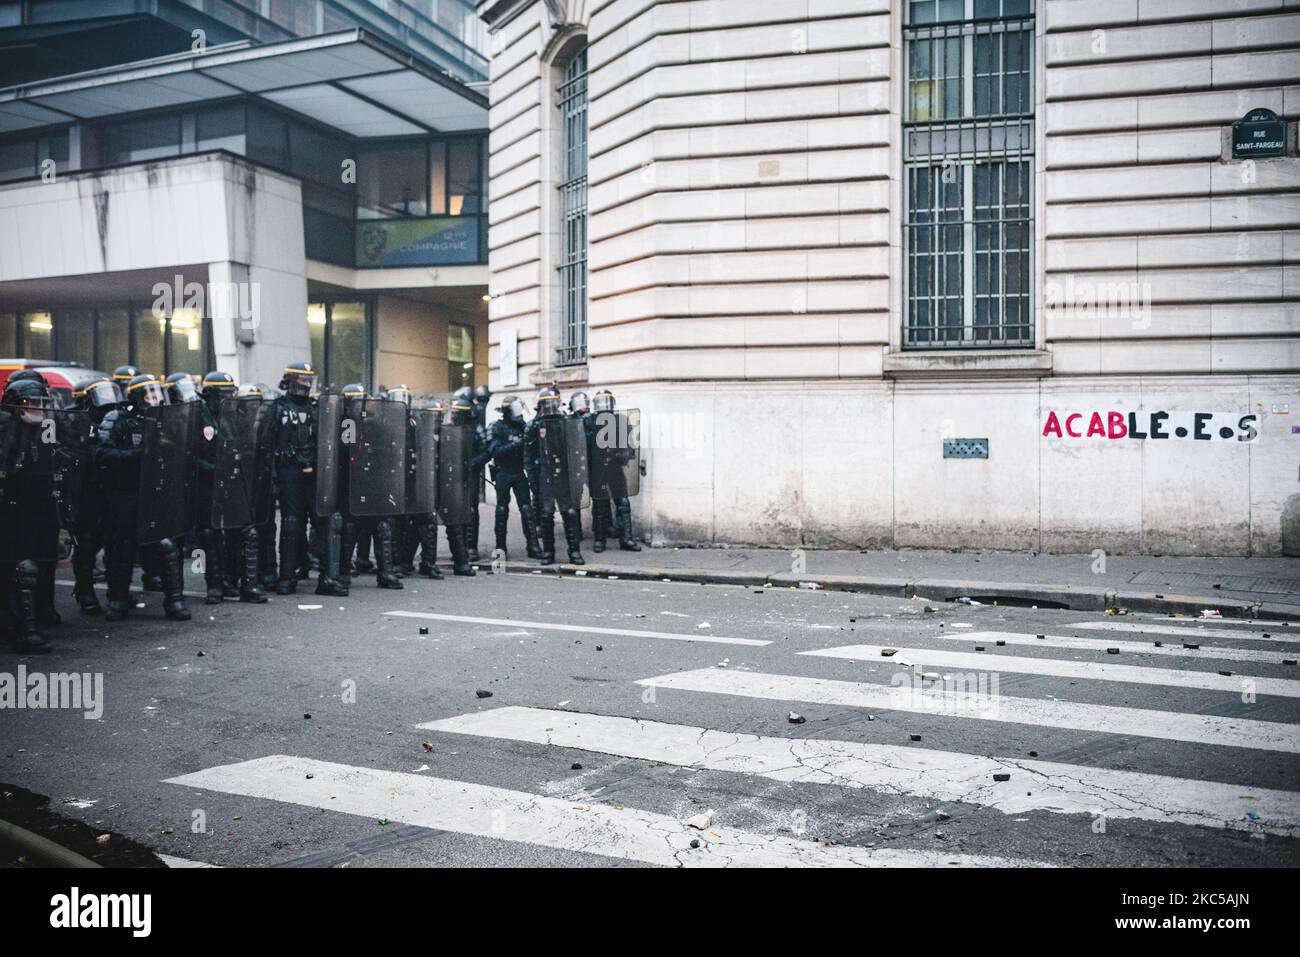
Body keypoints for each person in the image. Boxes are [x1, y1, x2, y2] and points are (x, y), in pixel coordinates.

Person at [94, 374, 191, 622]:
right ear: (136, 398)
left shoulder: (168, 421)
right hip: (127, 491)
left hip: (158, 491)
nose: (155, 398)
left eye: (157, 393)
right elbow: (101, 453)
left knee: (167, 544)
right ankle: (118, 599)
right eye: (149, 394)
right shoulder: (118, 420)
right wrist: (137, 455)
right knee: (123, 547)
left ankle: (175, 600)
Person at [0, 377, 62, 653]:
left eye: (40, 402)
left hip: (37, 507)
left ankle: (31, 621)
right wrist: (18, 425)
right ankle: (22, 630)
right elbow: (9, 463)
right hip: (9, 508)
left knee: (36, 566)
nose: (36, 408)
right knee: (18, 568)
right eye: (29, 402)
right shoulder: (5, 428)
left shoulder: (47, 429)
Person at [196, 371, 268, 605]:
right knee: (210, 534)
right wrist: (213, 469)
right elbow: (190, 454)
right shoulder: (197, 416)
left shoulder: (236, 417)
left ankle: (244, 583)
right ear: (210, 394)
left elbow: (247, 445)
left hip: (234, 480)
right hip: (207, 482)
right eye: (223, 393)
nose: (229, 397)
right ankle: (214, 585)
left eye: (231, 392)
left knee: (245, 531)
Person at [67, 377, 122, 614]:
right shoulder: (72, 420)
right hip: (84, 489)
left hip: (109, 487)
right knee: (86, 543)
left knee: (114, 540)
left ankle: (116, 591)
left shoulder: (117, 418)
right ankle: (84, 590)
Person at [268, 362, 318, 595]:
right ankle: (287, 575)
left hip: (314, 470)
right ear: (290, 381)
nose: (306, 385)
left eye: (309, 380)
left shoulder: (316, 407)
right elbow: (267, 442)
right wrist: (273, 476)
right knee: (291, 522)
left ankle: (322, 570)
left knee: (321, 520)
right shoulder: (277, 408)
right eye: (302, 380)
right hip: (288, 469)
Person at [524, 384, 585, 565]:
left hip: (564, 474)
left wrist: (578, 475)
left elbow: (576, 450)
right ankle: (548, 552)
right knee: (545, 515)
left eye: (552, 403)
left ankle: (574, 551)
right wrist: (533, 480)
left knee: (570, 513)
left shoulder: (566, 422)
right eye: (546, 404)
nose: (549, 407)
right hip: (545, 474)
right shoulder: (534, 426)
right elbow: (528, 455)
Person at [477, 394, 541, 559]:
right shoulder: (497, 427)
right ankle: (500, 547)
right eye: (516, 409)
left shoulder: (522, 426)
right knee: (502, 509)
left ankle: (533, 546)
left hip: (518, 472)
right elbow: (494, 451)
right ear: (507, 411)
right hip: (503, 472)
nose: (519, 413)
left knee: (527, 509)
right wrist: (515, 444)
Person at [586, 388, 642, 552]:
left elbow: (630, 443)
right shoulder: (589, 421)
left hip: (616, 467)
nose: (604, 405)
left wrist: (625, 453)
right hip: (597, 468)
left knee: (623, 503)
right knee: (600, 504)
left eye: (607, 401)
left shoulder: (621, 420)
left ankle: (626, 539)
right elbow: (583, 446)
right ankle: (600, 540)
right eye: (601, 401)